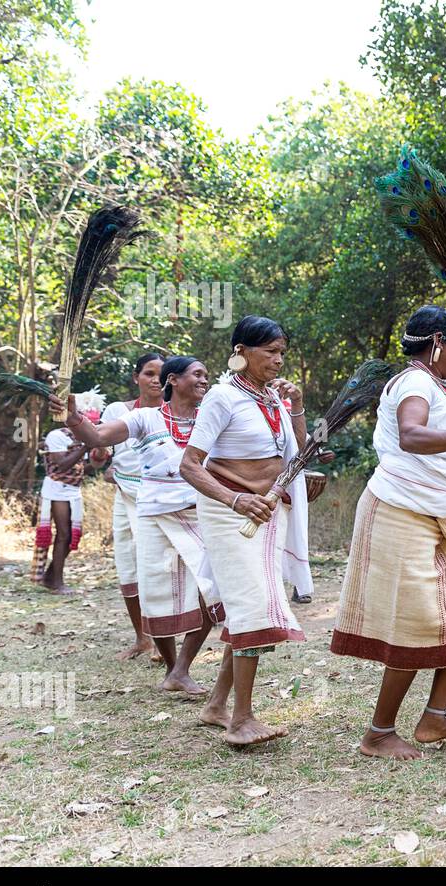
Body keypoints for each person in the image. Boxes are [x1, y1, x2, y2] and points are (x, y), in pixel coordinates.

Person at [331, 306, 446, 761]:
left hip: (434, 518)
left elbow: (436, 467)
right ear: (437, 342)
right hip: (398, 514)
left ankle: (436, 716)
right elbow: (410, 436)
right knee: (417, 623)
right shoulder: (414, 383)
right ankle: (378, 734)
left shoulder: (437, 386)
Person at [54, 358, 223, 693]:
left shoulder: (211, 418)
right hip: (154, 517)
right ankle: (174, 671)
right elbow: (97, 435)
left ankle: (182, 668)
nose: (205, 380)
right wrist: (73, 418)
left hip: (199, 514)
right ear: (173, 380)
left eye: (207, 375)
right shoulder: (145, 418)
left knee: (211, 588)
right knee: (156, 593)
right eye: (198, 374)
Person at [179, 317, 310, 747]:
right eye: (270, 351)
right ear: (241, 351)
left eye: (282, 352)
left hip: (266, 511)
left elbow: (297, 452)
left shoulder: (272, 397)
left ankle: (217, 705)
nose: (278, 360)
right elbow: (189, 465)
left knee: (247, 606)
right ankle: (241, 720)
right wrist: (235, 500)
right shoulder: (222, 396)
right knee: (253, 607)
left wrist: (297, 405)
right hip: (230, 513)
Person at [101, 353, 164, 660]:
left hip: (159, 497)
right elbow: (101, 454)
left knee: (155, 566)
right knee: (127, 565)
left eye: (161, 374)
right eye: (149, 373)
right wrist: (101, 460)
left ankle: (163, 639)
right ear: (136, 377)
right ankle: (142, 639)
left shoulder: (173, 413)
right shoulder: (117, 410)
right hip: (123, 493)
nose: (156, 380)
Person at [35, 389, 106, 593]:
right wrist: (86, 446)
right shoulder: (57, 436)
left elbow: (83, 468)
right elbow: (63, 465)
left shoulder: (83, 439)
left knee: (72, 535)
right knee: (64, 534)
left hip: (73, 491)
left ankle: (50, 577)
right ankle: (57, 583)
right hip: (56, 489)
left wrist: (98, 459)